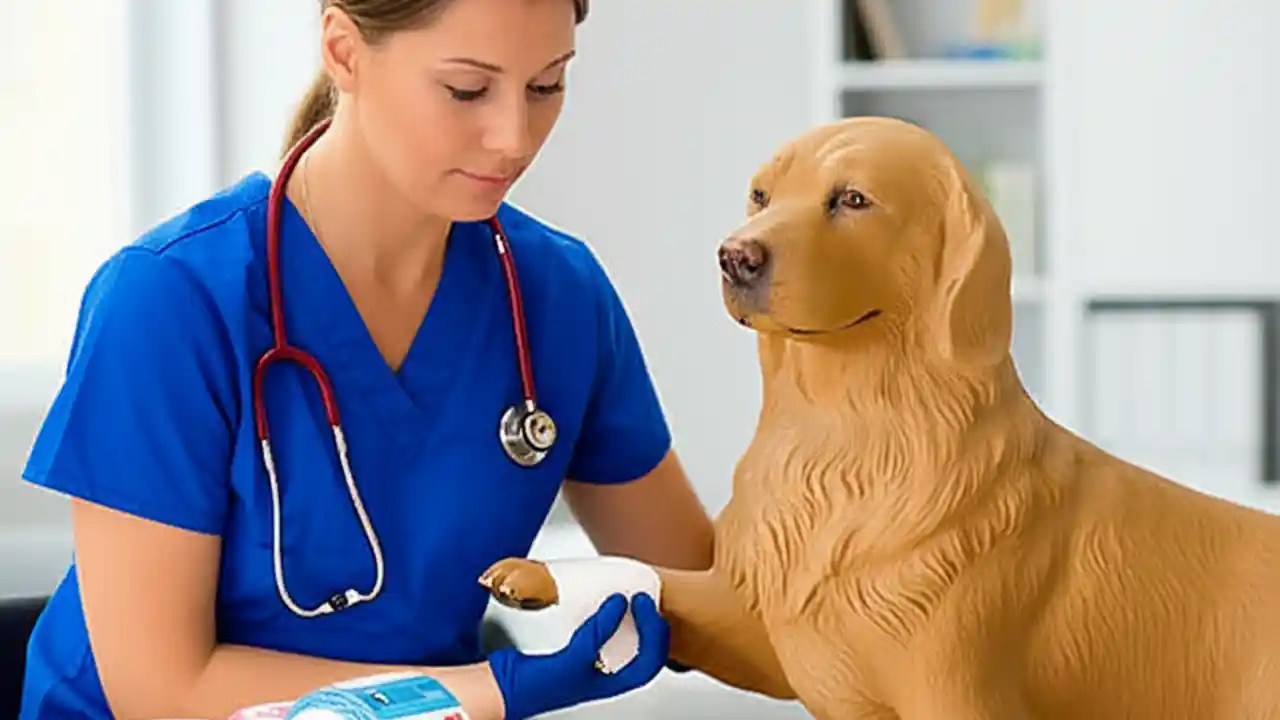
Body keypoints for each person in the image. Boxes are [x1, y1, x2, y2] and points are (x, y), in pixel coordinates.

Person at [16, 0, 716, 717]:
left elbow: (707, 594)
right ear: (344, 51)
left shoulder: (559, 297)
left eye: (546, 86)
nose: (514, 138)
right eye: (467, 90)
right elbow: (160, 691)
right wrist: (486, 693)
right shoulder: (172, 297)